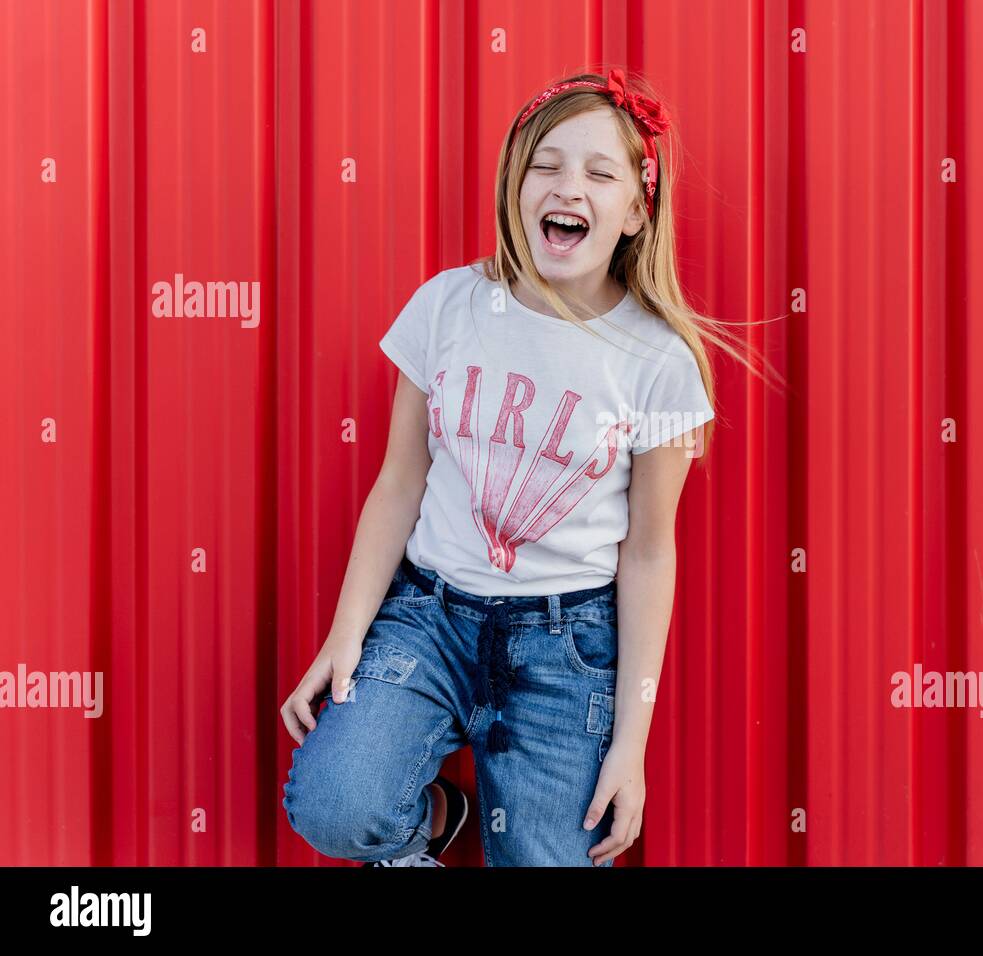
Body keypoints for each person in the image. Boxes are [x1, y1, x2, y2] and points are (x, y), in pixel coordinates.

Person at [280, 67, 768, 866]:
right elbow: (399, 483)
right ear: (516, 184)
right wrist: (346, 636)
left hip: (567, 643)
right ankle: (428, 817)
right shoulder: (447, 307)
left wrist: (630, 745)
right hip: (429, 616)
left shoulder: (659, 363)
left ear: (637, 211)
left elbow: (649, 554)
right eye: (546, 163)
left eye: (599, 172)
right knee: (336, 808)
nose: (567, 185)